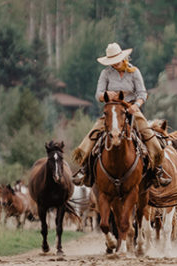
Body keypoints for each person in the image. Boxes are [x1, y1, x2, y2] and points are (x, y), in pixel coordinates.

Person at [71, 42, 170, 187]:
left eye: (116, 60)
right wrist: (106, 94)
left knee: (147, 132)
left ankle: (157, 170)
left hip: (131, 108)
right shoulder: (105, 73)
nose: (115, 63)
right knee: (94, 132)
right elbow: (98, 94)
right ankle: (84, 168)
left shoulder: (134, 72)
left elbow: (142, 94)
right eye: (112, 61)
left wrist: (136, 106)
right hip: (112, 110)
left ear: (123, 58)